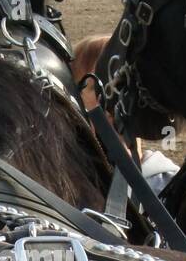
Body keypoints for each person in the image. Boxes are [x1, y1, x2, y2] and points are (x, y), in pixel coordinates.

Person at [70, 34, 180, 196]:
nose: (113, 97)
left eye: (122, 86)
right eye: (99, 87)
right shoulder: (66, 180)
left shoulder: (167, 180)